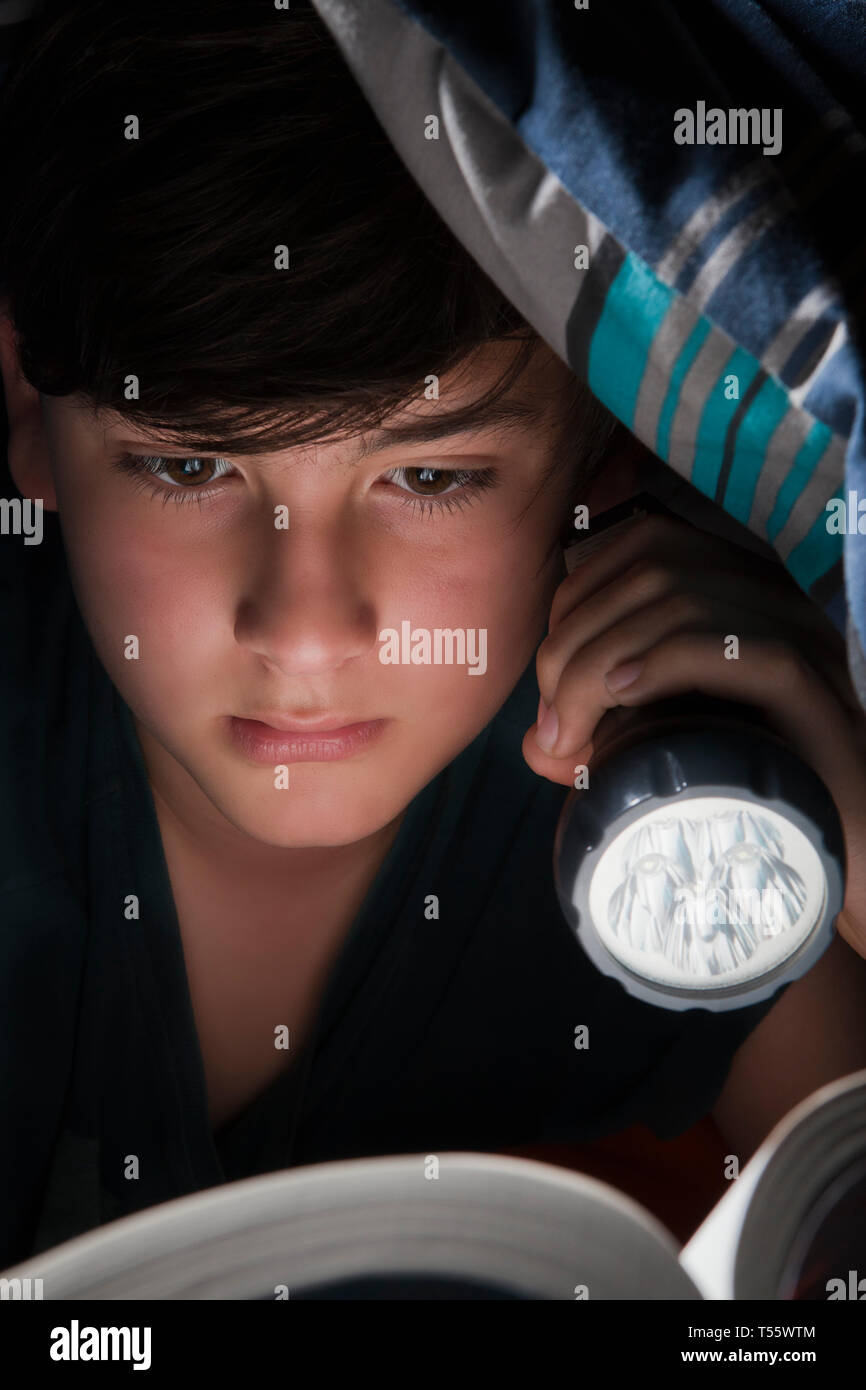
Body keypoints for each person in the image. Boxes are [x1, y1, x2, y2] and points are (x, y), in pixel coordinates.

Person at [2, 0, 866, 1274]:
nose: (302, 635)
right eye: (187, 463)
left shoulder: (689, 836)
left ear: (602, 441)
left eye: (430, 478)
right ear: (25, 404)